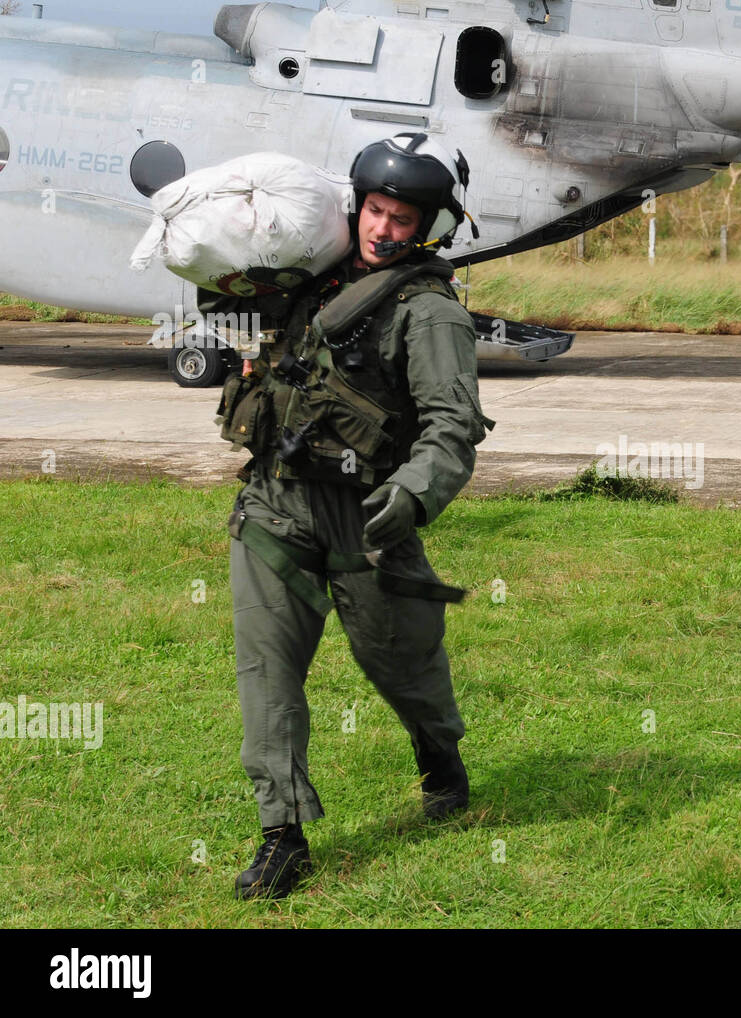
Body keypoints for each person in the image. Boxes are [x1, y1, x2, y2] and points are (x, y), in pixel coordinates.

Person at [205, 134, 493, 899]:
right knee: (266, 677)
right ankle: (281, 835)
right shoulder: (305, 274)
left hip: (367, 522)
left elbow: (452, 426)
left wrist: (415, 492)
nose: (384, 228)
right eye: (375, 209)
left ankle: (439, 753)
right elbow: (219, 296)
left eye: (402, 217)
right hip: (274, 505)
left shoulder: (429, 314)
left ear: (428, 225)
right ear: (356, 204)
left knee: (405, 666)